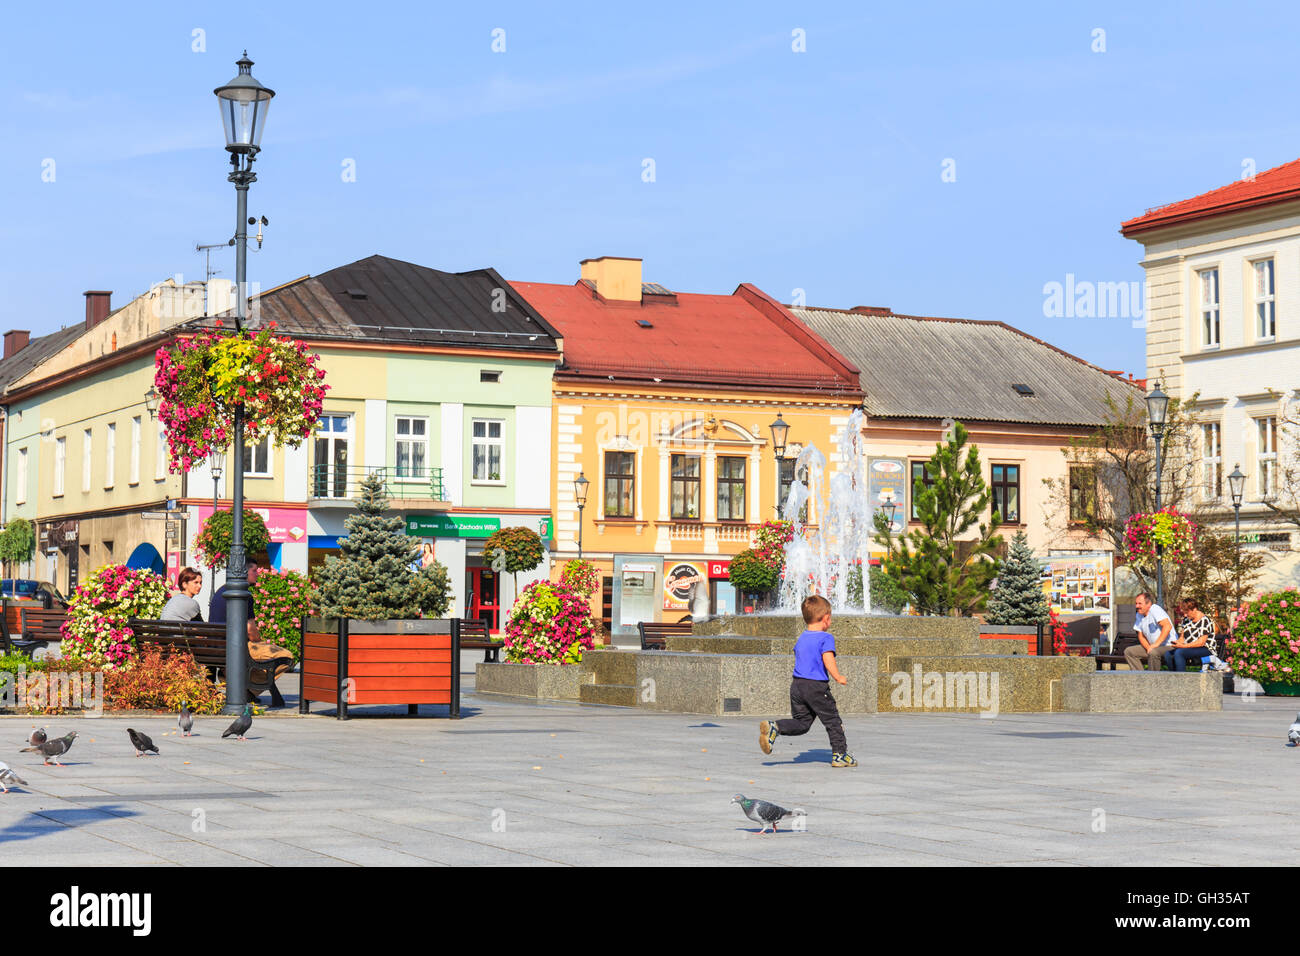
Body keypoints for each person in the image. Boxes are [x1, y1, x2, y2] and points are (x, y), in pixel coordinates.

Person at [758, 594, 857, 767]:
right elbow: (828, 659)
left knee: (802, 723)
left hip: (797, 686)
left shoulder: (802, 637)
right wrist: (838, 676)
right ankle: (840, 755)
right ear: (826, 618)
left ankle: (776, 727)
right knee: (833, 721)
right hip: (816, 687)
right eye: (830, 618)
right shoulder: (826, 638)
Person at [1123, 591, 1174, 671]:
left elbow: (1167, 626)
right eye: (1136, 603)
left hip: (1169, 646)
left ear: (1148, 604)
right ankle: (1140, 677)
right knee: (1129, 651)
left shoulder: (1155, 609)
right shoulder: (1139, 614)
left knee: (1153, 652)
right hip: (1153, 647)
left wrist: (1155, 645)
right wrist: (1148, 647)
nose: (1137, 606)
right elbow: (1141, 635)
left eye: (1140, 604)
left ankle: (1152, 680)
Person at [1169, 598, 1216, 672]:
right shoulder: (1186, 620)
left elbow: (1201, 642)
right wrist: (1178, 643)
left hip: (1205, 649)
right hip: (1190, 647)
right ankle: (1171, 678)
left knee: (1179, 653)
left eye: (1187, 612)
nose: (1185, 615)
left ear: (1194, 609)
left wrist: (1183, 646)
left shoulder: (1204, 620)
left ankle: (1180, 679)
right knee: (1168, 654)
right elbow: (1182, 637)